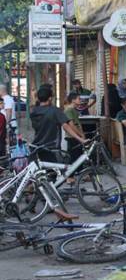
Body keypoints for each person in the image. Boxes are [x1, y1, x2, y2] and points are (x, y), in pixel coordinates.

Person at [27, 84, 81, 221]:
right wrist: (80, 138)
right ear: (50, 98)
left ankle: (36, 201)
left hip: (36, 148)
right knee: (58, 175)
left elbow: (34, 106)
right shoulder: (54, 111)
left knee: (44, 177)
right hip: (50, 148)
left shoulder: (34, 111)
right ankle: (45, 201)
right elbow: (66, 126)